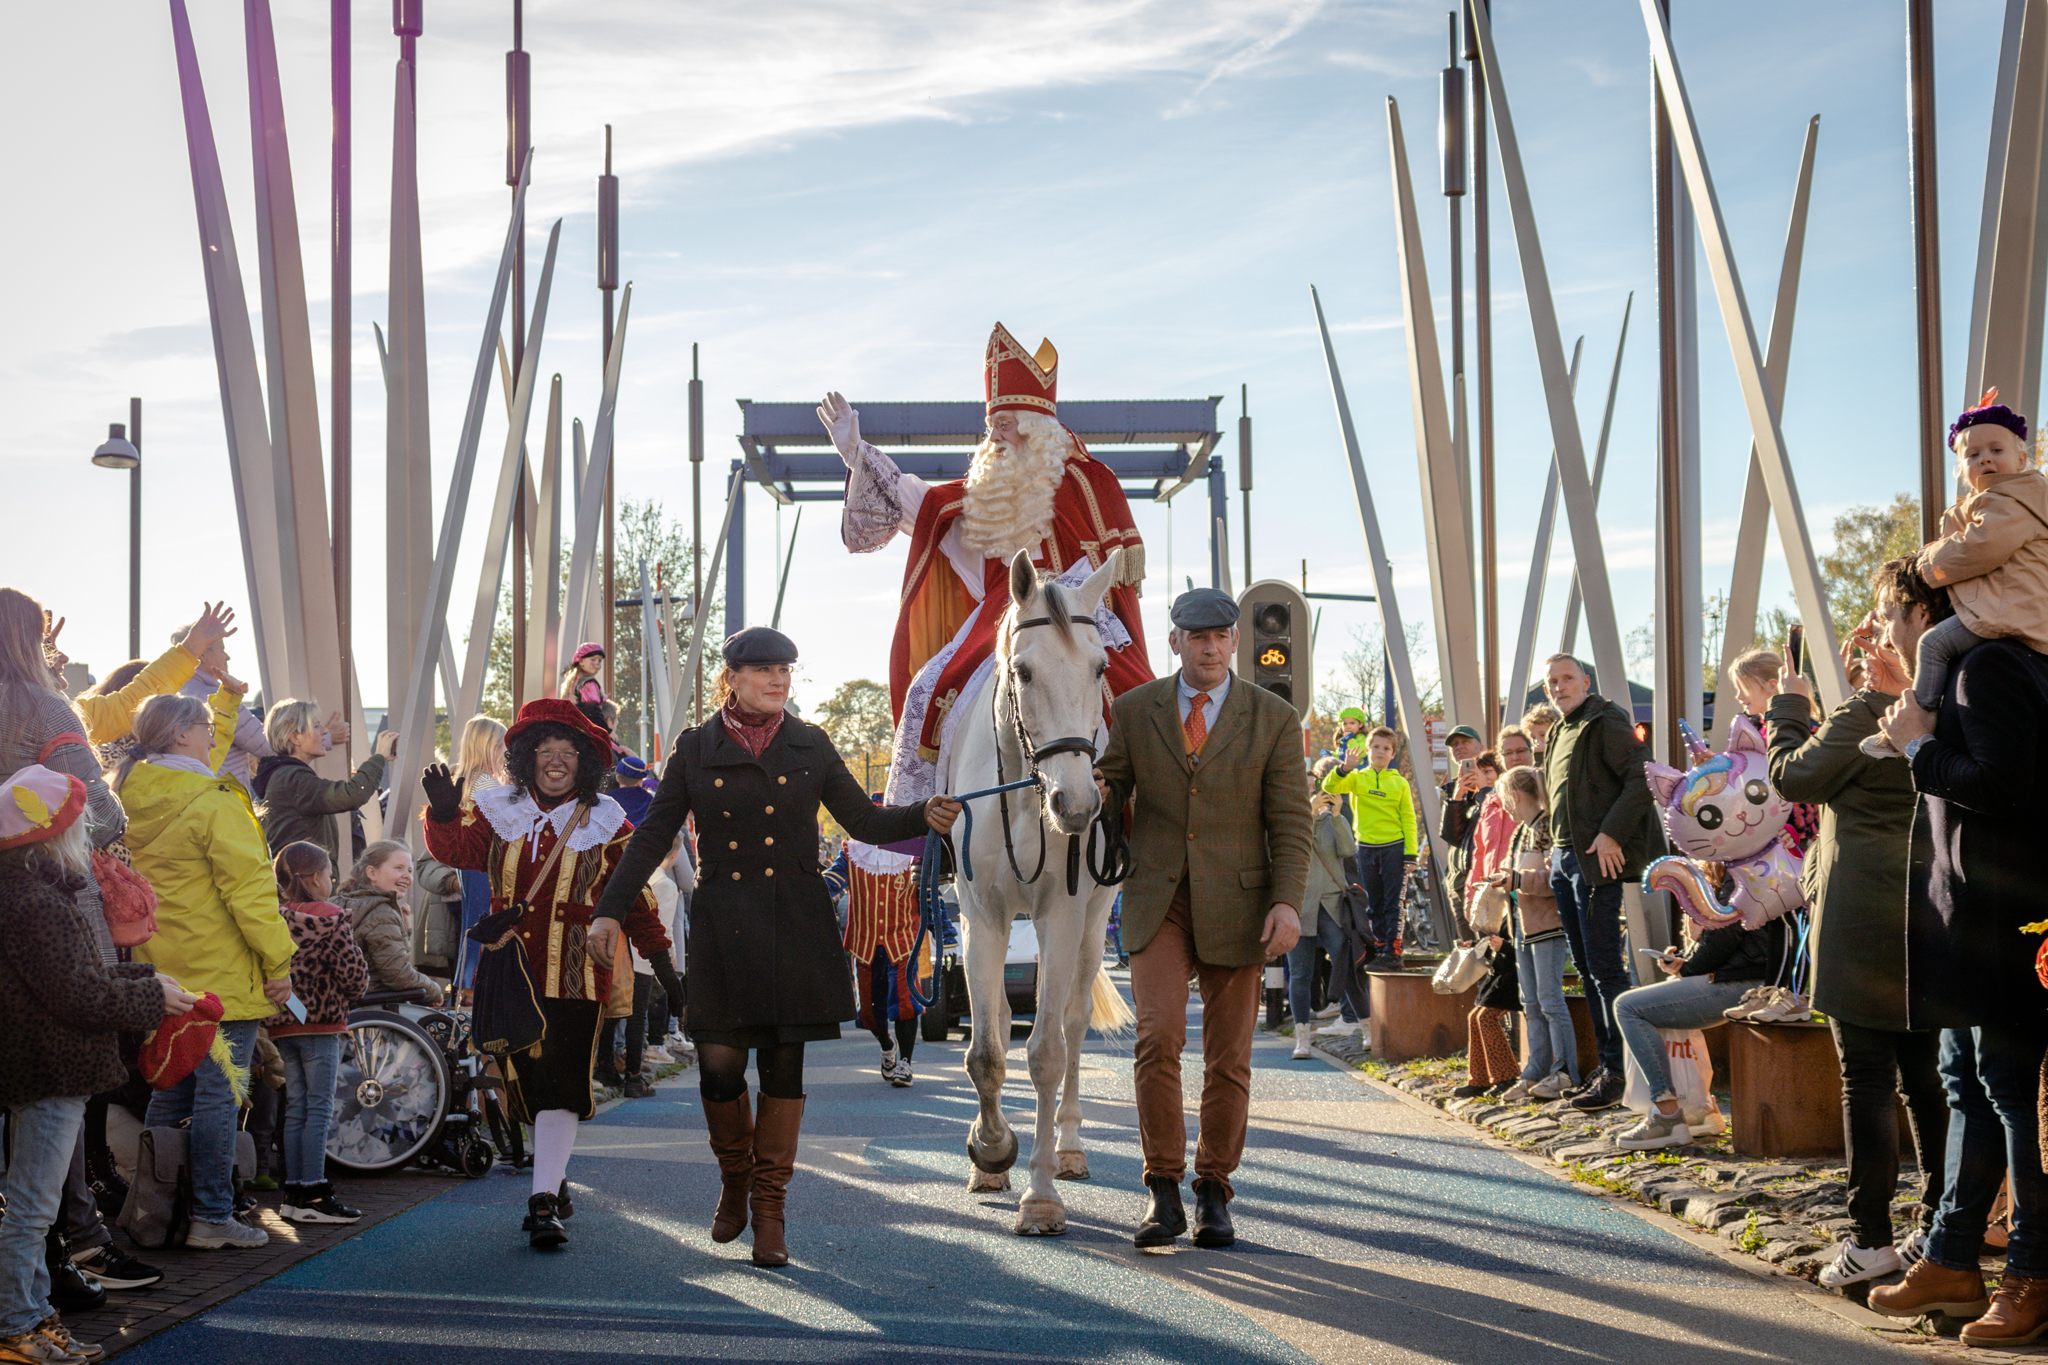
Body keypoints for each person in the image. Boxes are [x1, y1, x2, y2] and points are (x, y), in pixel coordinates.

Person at [586, 627, 956, 1267]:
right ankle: (734, 1179)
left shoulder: (810, 743)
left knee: (784, 1069)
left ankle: (769, 1210)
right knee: (719, 1069)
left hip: (796, 923)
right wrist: (608, 911)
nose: (778, 680)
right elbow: (652, 836)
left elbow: (863, 821)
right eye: (763, 670)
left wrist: (922, 814)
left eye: (785, 669)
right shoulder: (696, 749)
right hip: (726, 926)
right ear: (730, 677)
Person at [817, 325, 1151, 836]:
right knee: (932, 688)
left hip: (1082, 609)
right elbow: (922, 504)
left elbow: (1117, 572)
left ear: (1038, 426)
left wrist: (1079, 585)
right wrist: (857, 454)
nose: (996, 435)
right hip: (1004, 611)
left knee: (1141, 705)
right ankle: (936, 824)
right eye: (992, 423)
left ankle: (1149, 817)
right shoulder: (985, 489)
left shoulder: (1092, 480)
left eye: (1008, 423)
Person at [1865, 547, 2048, 1344]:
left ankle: (2032, 1274)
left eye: (1887, 613)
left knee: (2010, 1096)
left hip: (2010, 922)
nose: (1881, 629)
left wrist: (1916, 747)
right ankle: (1951, 1261)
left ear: (1923, 613)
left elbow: (2004, 787)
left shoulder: (1991, 668)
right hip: (1972, 927)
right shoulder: (1959, 677)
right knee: (1967, 1084)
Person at [1094, 588, 1309, 1252]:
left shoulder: (1273, 717)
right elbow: (1108, 792)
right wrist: (1096, 793)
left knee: (1230, 1056)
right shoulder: (1133, 710)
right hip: (1159, 898)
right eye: (1197, 637)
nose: (1210, 647)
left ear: (1235, 641)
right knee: (1157, 1037)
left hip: (1240, 904)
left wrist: (1287, 901)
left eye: (1220, 636)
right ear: (1175, 641)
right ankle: (1162, 1188)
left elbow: (1292, 822)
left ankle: (1214, 1187)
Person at [422, 699, 680, 1251]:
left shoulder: (609, 821)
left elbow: (632, 897)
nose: (557, 761)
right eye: (546, 751)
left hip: (575, 973)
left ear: (585, 762)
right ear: (526, 757)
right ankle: (552, 1176)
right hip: (509, 968)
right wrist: (444, 813)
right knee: (524, 1082)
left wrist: (662, 961)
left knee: (560, 1082)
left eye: (569, 752)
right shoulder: (498, 810)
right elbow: (458, 852)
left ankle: (541, 1204)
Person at [1765, 558, 1951, 1289]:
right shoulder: (1941, 699)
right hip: (1927, 917)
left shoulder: (1877, 707)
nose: (1871, 629)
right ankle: (1938, 1229)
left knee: (1867, 1080)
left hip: (1863, 921)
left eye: (1882, 615)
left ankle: (1871, 1237)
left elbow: (1792, 776)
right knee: (1927, 1082)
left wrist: (1789, 704)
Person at [0, 763, 188, 1365]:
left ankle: (29, 1317)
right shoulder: (39, 902)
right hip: (51, 1067)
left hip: (30, 1062)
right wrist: (151, 995)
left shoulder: (22, 892)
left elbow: (63, 980)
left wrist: (142, 978)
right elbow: (77, 996)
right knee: (32, 1205)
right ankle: (18, 1325)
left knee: (25, 1204)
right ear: (54, 833)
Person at [119, 694, 297, 1250]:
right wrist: (279, 960)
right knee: (220, 1096)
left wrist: (222, 700)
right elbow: (249, 892)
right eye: (206, 728)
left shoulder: (129, 795)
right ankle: (212, 1216)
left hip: (163, 972)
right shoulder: (214, 800)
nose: (216, 738)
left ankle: (155, 1213)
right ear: (180, 735)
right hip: (222, 972)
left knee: (169, 1089)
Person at [1866, 389, 2048, 759]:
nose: (1985, 460)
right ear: (1962, 470)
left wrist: (1922, 566)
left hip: (2010, 610)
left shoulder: (2012, 500)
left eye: (1997, 450)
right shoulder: (1997, 502)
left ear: (2023, 457)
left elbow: (1979, 547)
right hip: (2009, 605)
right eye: (1973, 454)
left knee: (1932, 644)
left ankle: (1918, 720)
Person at [1542, 653, 1660, 1113]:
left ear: (1585, 681)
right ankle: (1607, 1065)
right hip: (1562, 856)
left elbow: (1642, 778)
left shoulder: (1606, 720)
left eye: (1567, 678)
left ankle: (1620, 1071)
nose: (1558, 686)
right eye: (1551, 680)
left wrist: (1611, 833)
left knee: (1606, 969)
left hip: (1593, 860)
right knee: (1588, 969)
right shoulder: (1558, 729)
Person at [1611, 892, 1789, 1150]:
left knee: (1627, 1006)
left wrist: (1687, 966)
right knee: (1648, 1003)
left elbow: (1724, 938)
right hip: (1753, 976)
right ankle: (1701, 1110)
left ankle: (1668, 1116)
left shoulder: (1735, 870)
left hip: (1747, 982)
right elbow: (1725, 941)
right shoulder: (1744, 866)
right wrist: (1687, 957)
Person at [264, 841, 369, 1225]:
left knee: (295, 1110)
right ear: (314, 878)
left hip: (282, 1023)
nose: (332, 880)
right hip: (322, 1024)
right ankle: (314, 1191)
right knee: (319, 1108)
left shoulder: (274, 916)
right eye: (328, 873)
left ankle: (293, 1191)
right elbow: (354, 977)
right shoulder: (332, 918)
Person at [1494, 766, 1578, 1102]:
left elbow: (1554, 881)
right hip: (1523, 926)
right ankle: (1536, 1069)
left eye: (1504, 798)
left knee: (1549, 1000)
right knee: (1530, 1001)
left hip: (1546, 926)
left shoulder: (1545, 828)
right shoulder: (1523, 831)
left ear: (1514, 795)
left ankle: (1565, 1070)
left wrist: (1517, 881)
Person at [253, 700, 394, 865]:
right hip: (306, 883)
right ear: (295, 738)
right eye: (316, 726)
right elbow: (353, 794)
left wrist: (325, 740)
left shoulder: (282, 775)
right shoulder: (294, 779)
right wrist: (379, 756)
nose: (325, 731)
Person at [1322, 726, 1416, 966]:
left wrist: (1411, 853)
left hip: (1395, 847)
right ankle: (1379, 947)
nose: (1380, 752)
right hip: (1366, 848)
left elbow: (1409, 818)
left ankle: (1393, 953)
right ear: (1367, 750)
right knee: (1372, 902)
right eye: (1376, 747)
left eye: (1386, 748)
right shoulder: (1356, 777)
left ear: (1393, 754)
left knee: (1393, 902)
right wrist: (1344, 768)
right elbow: (1329, 787)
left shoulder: (1400, 783)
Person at [1289, 776, 1362, 1060]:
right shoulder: (1295, 820)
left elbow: (1348, 850)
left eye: (1320, 793)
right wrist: (1307, 812)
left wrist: (1337, 813)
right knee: (1300, 974)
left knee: (1346, 964)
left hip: (1332, 906)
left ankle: (1363, 1026)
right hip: (1300, 906)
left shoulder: (1333, 820)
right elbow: (1287, 849)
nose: (1317, 798)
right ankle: (1302, 1039)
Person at [335, 842, 444, 1007]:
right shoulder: (381, 912)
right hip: (373, 999)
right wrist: (434, 990)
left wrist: (404, 930)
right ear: (372, 873)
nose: (407, 876)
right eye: (398, 868)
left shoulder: (342, 901)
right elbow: (398, 975)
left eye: (409, 870)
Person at [449, 716, 506, 1000]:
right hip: (485, 864)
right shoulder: (488, 785)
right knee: (484, 922)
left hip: (471, 866)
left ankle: (466, 986)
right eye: (502, 748)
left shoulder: (464, 781)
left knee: (473, 922)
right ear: (491, 747)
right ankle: (472, 988)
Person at [1436, 723, 1486, 921]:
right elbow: (1451, 836)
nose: (1459, 747)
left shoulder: (1494, 779)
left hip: (1483, 877)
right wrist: (1457, 797)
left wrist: (1483, 789)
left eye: (1465, 741)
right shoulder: (1450, 789)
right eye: (1454, 744)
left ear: (1480, 747)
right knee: (1466, 945)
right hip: (1456, 878)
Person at [558, 642, 613, 732]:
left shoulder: (571, 682)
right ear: (581, 661)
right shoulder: (589, 683)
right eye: (593, 660)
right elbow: (593, 710)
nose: (597, 664)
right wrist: (607, 731)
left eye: (599, 661)